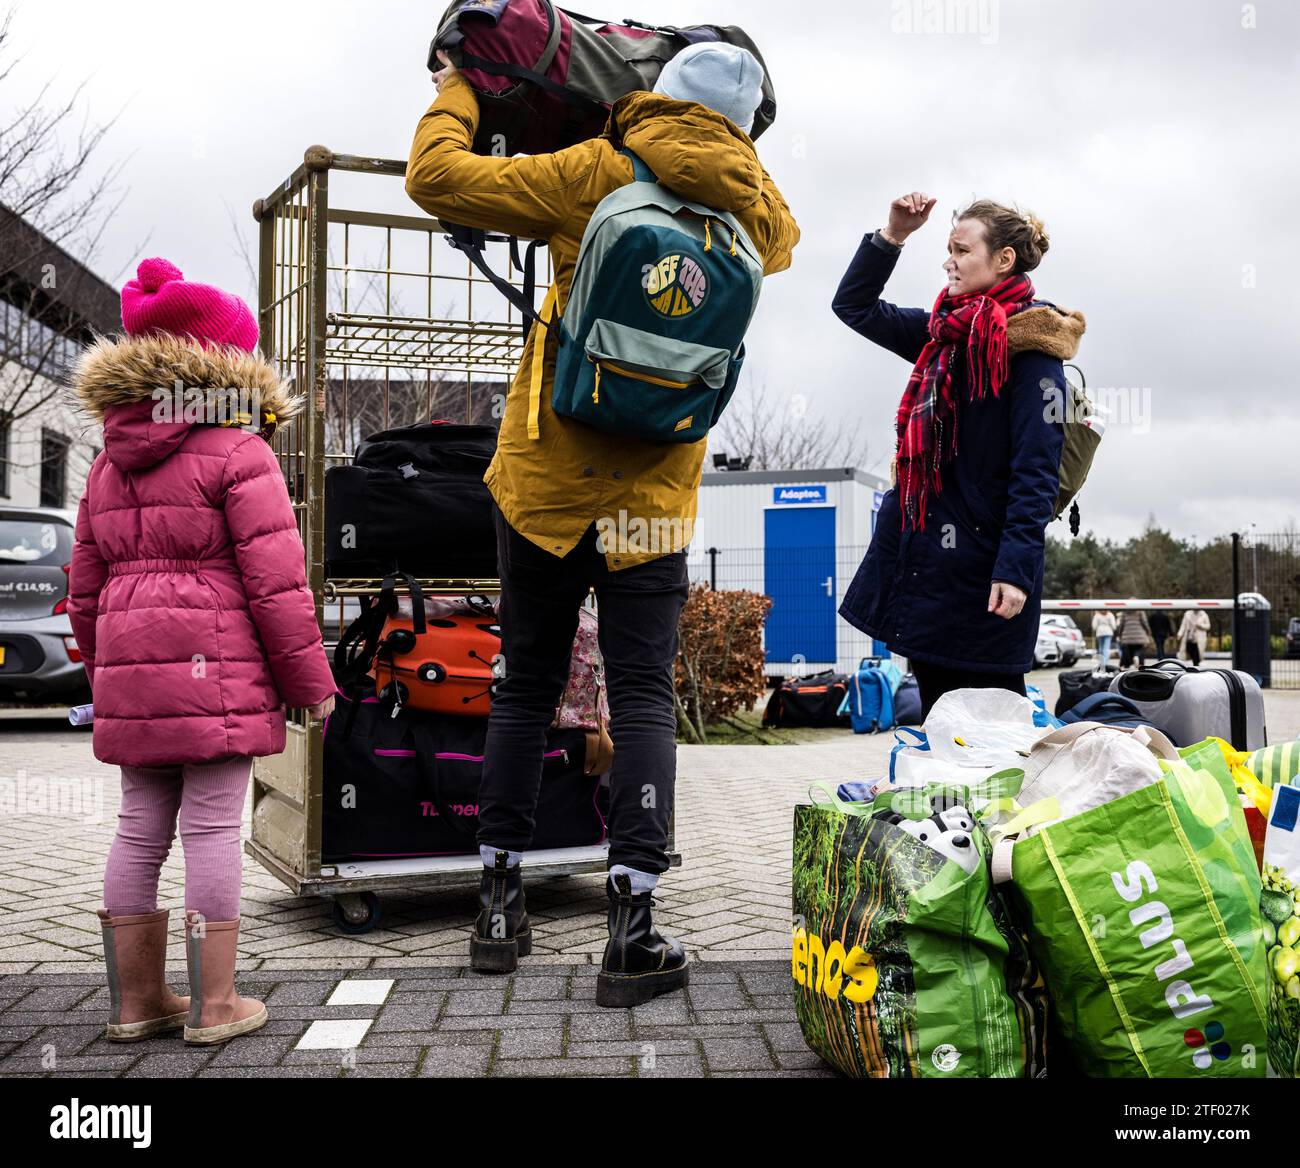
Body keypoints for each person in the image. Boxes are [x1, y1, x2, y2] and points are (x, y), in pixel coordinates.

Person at [405, 43, 799, 1004]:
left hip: (544, 485)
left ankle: (498, 904)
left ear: (655, 96)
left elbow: (436, 179)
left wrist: (460, 89)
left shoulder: (598, 168)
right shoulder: (760, 209)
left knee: (526, 685)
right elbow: (779, 241)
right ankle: (633, 926)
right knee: (643, 697)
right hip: (652, 504)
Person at [68, 259, 337, 1045]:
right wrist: (310, 683)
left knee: (139, 828)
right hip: (215, 675)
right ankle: (215, 1006)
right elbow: (277, 587)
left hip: (133, 676)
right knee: (214, 831)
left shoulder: (105, 464)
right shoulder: (238, 453)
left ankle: (136, 1003)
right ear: (225, 365)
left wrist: (109, 671)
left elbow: (82, 588)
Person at [833, 193, 1085, 720]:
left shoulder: (1034, 356)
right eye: (947, 248)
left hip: (981, 574)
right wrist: (893, 235)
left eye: (960, 249)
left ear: (1003, 260)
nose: (948, 260)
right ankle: (946, 805)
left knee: (990, 732)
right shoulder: (946, 337)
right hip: (927, 562)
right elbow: (853, 306)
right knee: (939, 723)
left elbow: (1035, 472)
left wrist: (1016, 571)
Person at [1117, 605, 1154, 669]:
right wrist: (1148, 631)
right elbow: (1144, 623)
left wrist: (1119, 634)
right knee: (1139, 648)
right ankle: (1137, 657)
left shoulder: (1124, 612)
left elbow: (1121, 625)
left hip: (1127, 636)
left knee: (1128, 650)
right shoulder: (1140, 612)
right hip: (1139, 635)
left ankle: (1126, 665)